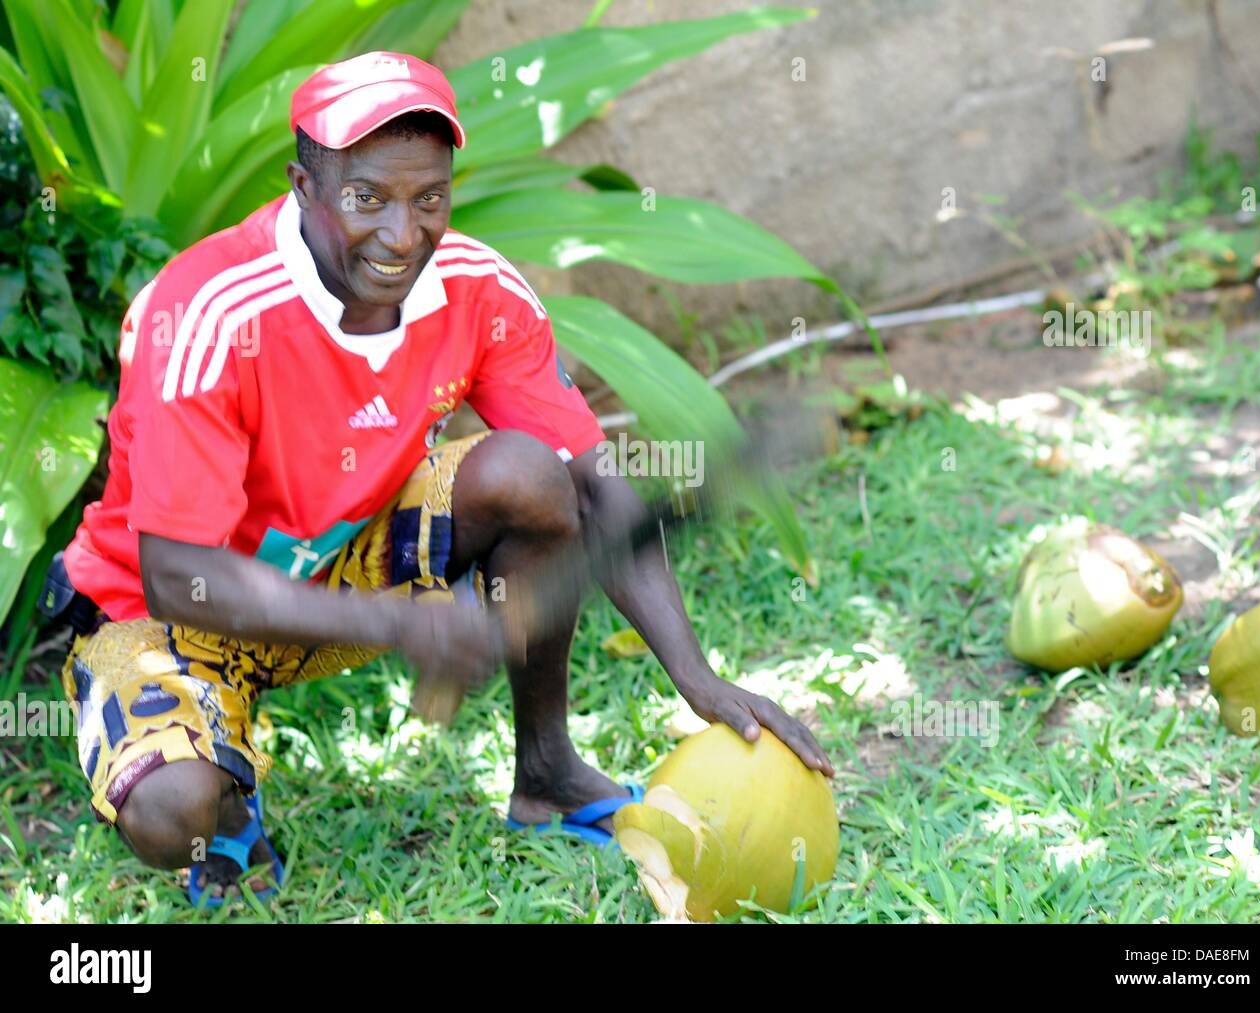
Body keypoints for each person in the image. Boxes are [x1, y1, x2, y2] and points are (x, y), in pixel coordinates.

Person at [53, 51, 833, 905]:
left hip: (333, 565)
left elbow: (594, 484)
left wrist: (696, 673)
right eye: (367, 199)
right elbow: (178, 573)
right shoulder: (207, 312)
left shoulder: (474, 289)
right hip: (164, 615)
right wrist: (399, 625)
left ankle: (547, 774)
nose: (402, 235)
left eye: (430, 198)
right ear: (303, 188)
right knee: (175, 811)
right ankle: (224, 794)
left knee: (529, 477)